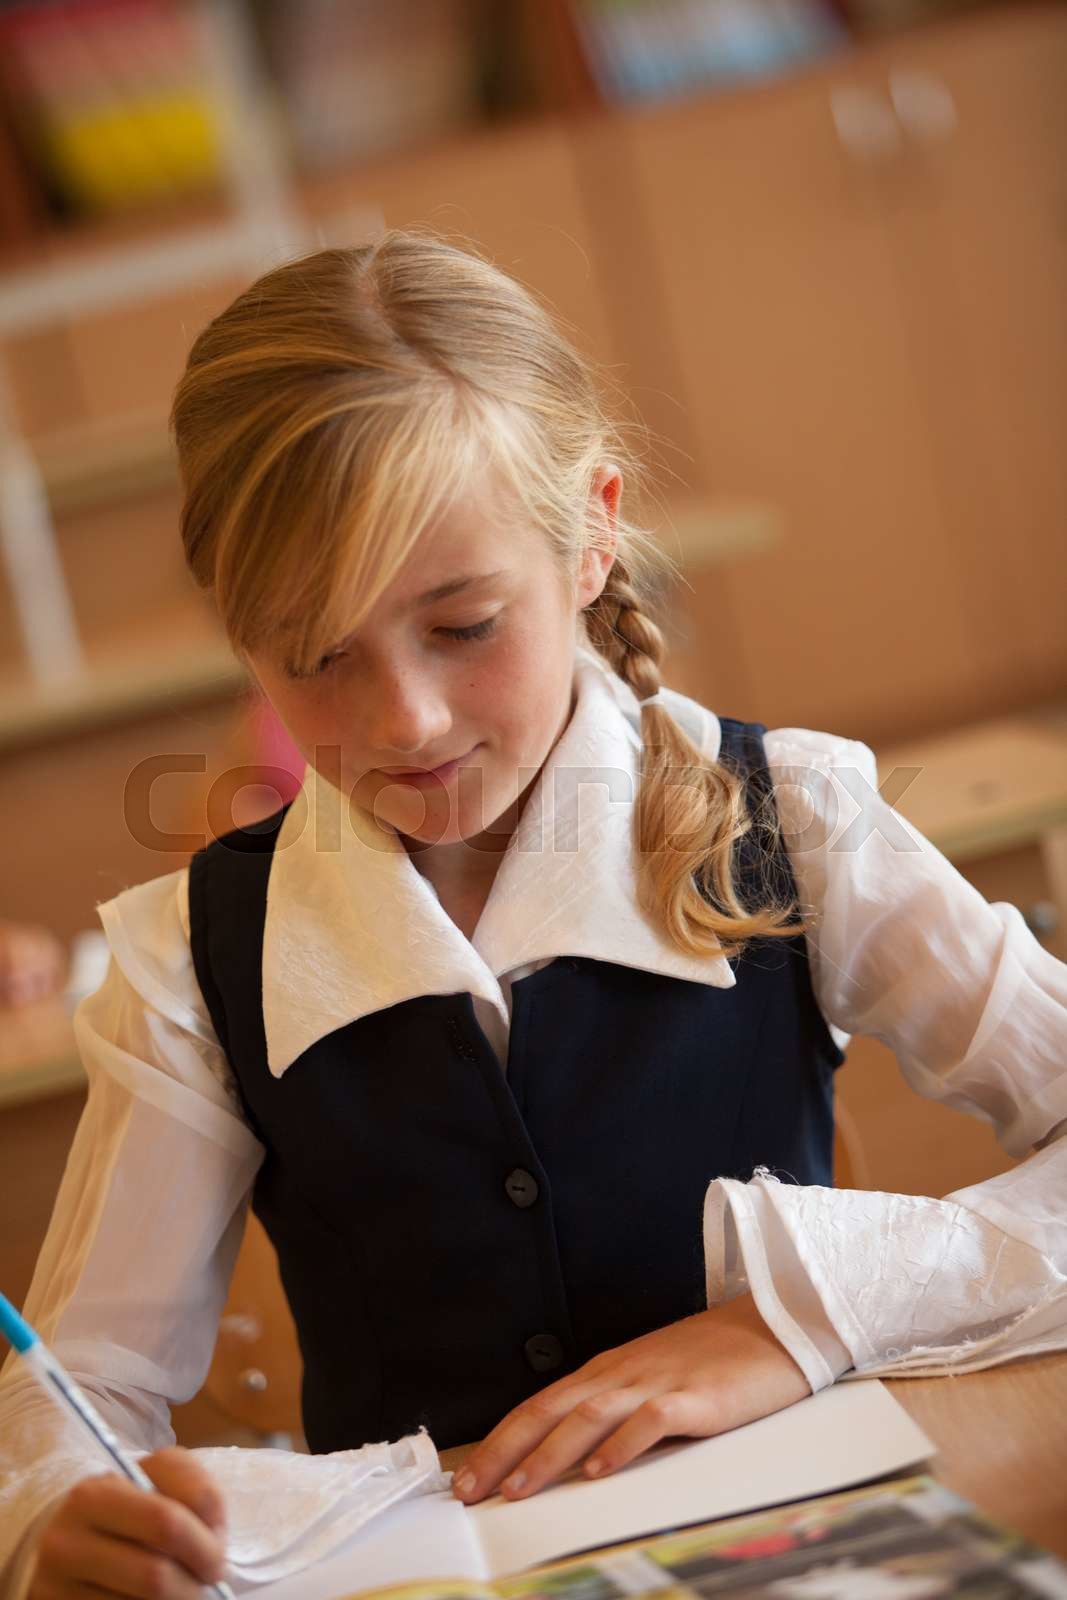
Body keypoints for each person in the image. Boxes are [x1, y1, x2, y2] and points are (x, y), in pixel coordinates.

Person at [2, 231, 1064, 1600]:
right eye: (315, 656)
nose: (408, 721)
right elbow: (80, 1388)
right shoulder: (190, 962)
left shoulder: (793, 817)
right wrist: (56, 1511)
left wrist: (801, 1322)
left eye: (462, 625)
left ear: (592, 533)